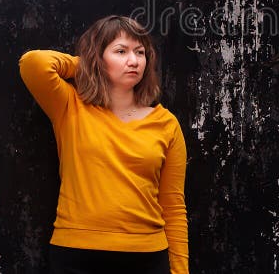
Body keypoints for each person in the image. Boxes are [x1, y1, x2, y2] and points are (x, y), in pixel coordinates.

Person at [19, 15, 188, 274]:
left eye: (140, 52)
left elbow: (173, 206)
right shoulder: (70, 106)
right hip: (78, 255)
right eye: (120, 51)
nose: (133, 61)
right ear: (98, 57)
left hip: (147, 256)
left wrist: (179, 270)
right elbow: (34, 63)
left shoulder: (166, 123)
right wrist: (86, 66)